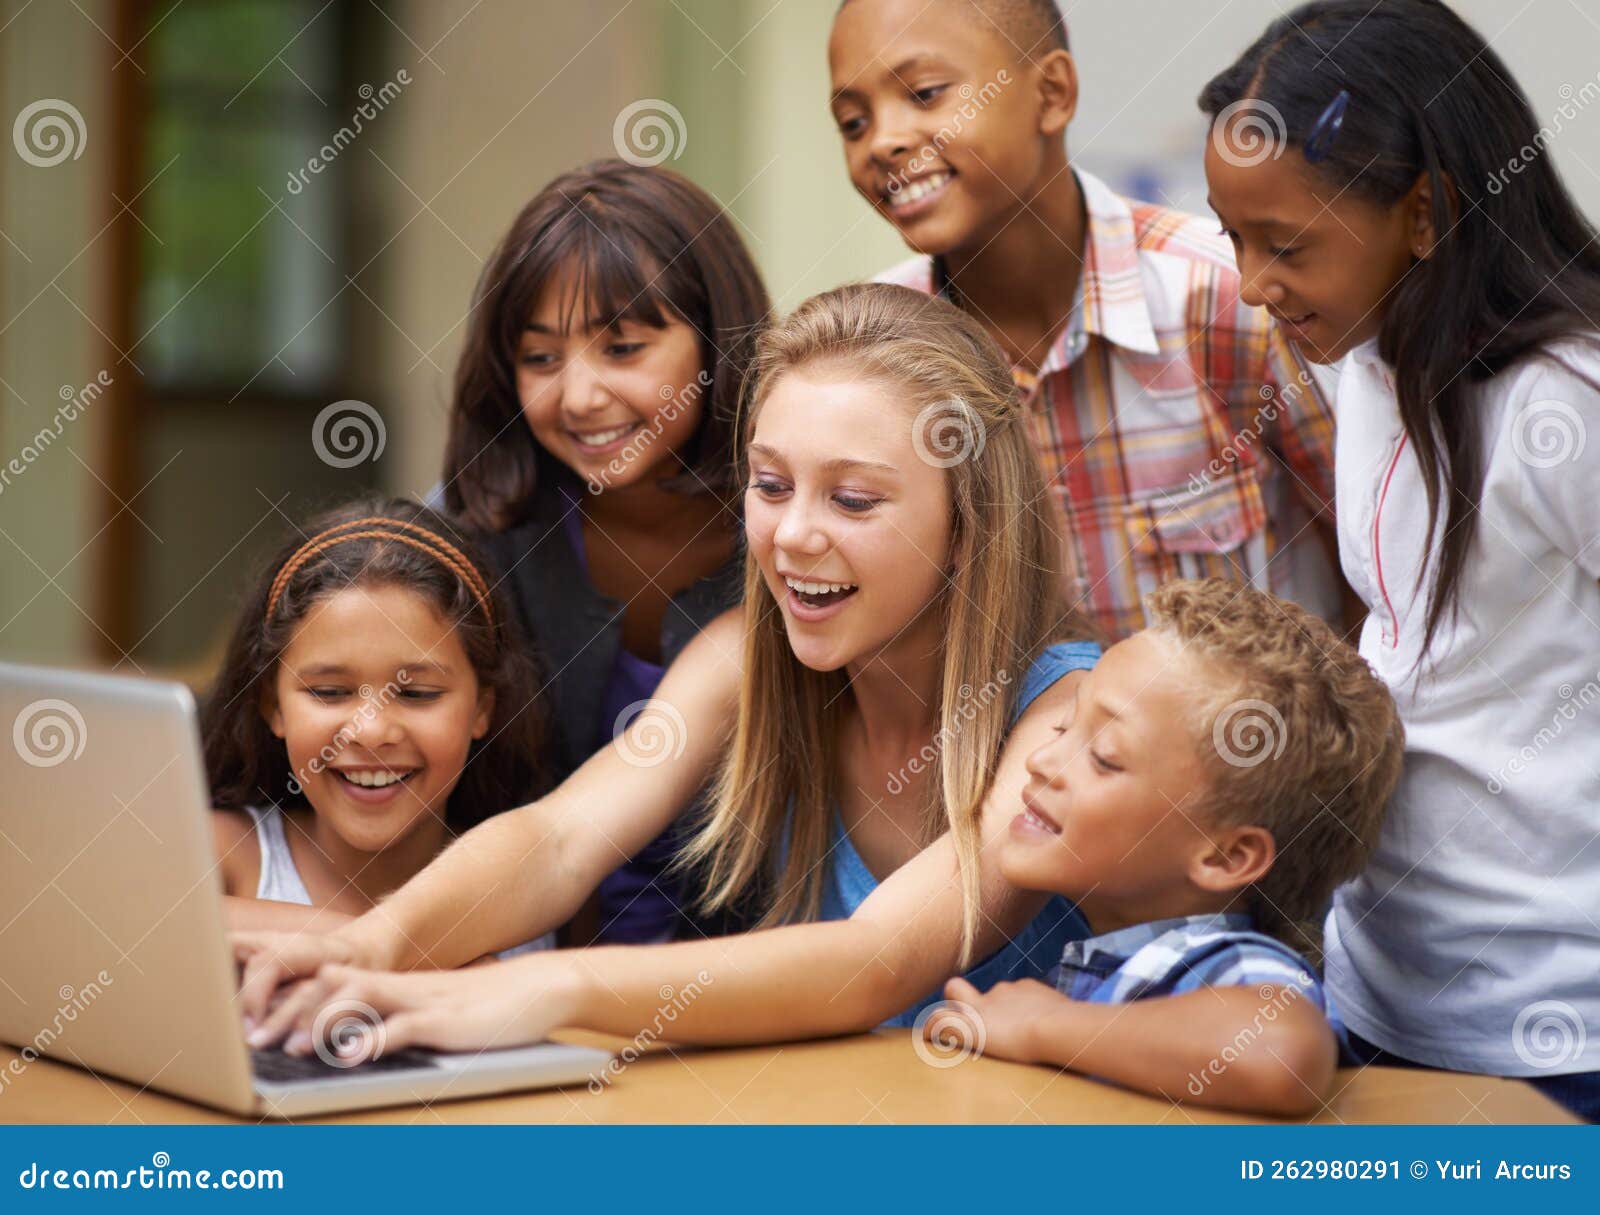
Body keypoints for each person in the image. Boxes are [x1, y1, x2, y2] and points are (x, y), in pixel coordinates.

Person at [233, 283, 1100, 1056]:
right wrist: (375, 942)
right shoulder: (743, 660)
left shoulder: (1065, 713)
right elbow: (562, 839)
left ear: (970, 517)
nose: (793, 534)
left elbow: (875, 962)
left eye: (853, 498)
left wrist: (549, 988)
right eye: (770, 484)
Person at [1202, 0, 1600, 1121]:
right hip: (1379, 991)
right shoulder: (1365, 354)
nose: (1252, 285)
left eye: (1284, 245)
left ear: (1423, 214)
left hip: (1556, 1028)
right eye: (1233, 239)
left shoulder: (1563, 400)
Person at [828, 0, 1348, 642]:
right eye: (853, 123)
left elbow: (1371, 567)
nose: (883, 140)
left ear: (1052, 92)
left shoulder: (1230, 296)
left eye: (927, 93)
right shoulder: (878, 356)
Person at [441, 160, 770, 944]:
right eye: (541, 358)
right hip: (510, 972)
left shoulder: (800, 535)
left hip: (752, 993)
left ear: (716, 346)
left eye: (623, 347)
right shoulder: (474, 537)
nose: (579, 396)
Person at [927, 578, 1402, 1117]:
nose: (1042, 761)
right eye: (1063, 726)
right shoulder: (1115, 961)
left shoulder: (1218, 963)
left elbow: (1284, 1051)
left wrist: (1044, 1026)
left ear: (1225, 857)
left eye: (1104, 757)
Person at [206, 498, 553, 958]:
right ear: (273, 705)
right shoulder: (224, 852)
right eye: (329, 693)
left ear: (481, 708)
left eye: (417, 694)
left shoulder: (530, 882)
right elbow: (143, 923)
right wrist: (405, 951)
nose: (370, 732)